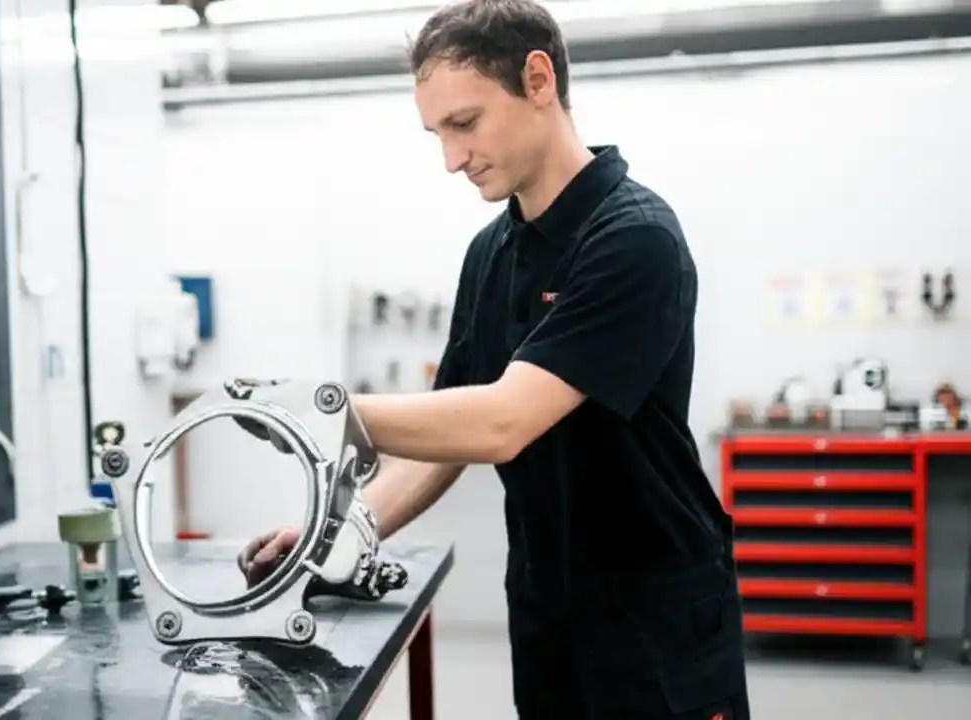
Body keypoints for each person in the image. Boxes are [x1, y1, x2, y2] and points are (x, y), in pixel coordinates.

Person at [237, 1, 750, 717]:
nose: (450, 159)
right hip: (547, 608)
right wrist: (338, 536)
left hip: (653, 616)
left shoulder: (636, 239)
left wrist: (319, 410)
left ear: (538, 79)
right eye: (436, 133)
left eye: (465, 123)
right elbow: (445, 441)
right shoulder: (491, 254)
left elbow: (500, 424)